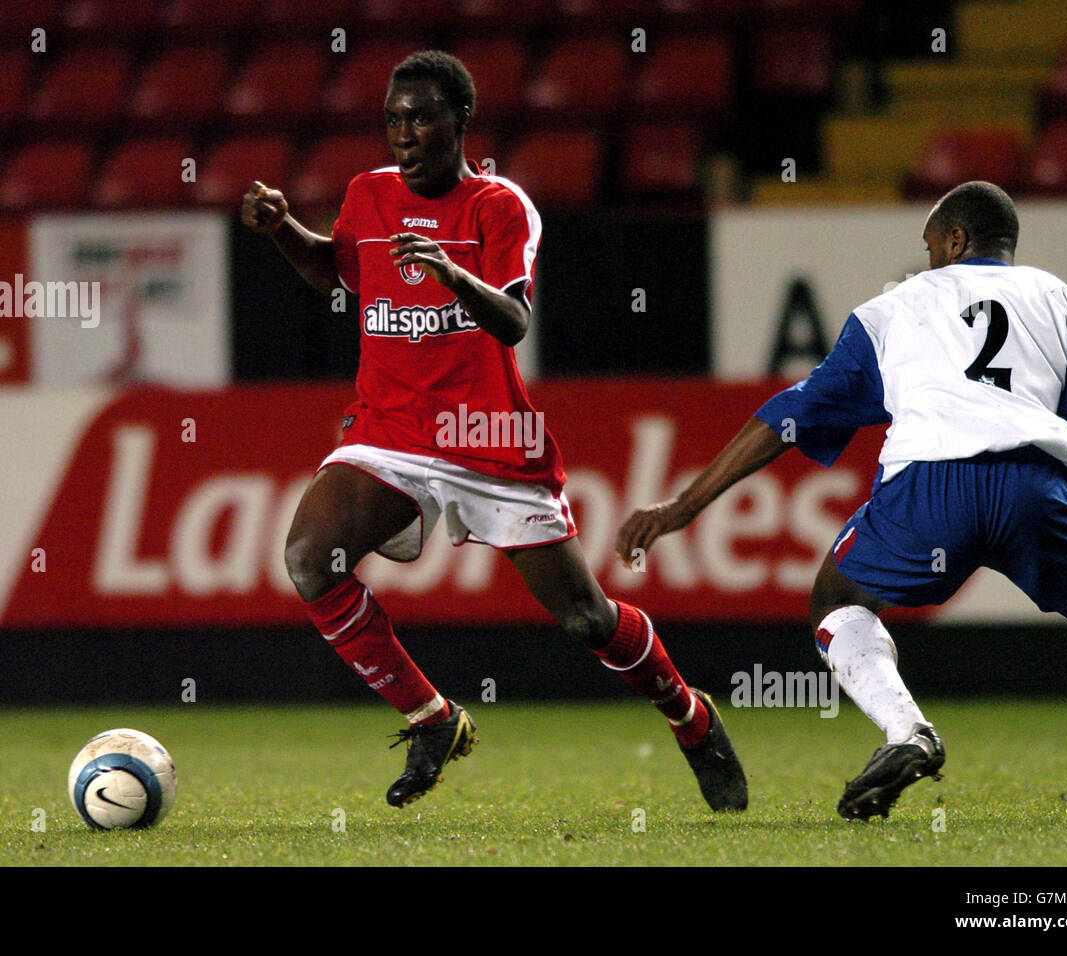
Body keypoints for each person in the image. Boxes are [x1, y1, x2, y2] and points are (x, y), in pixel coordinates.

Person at [241, 50, 746, 811]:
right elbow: (335, 274)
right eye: (393, 119)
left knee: (586, 618)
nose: (404, 134)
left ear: (461, 121)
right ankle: (432, 718)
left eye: (421, 118)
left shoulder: (500, 206)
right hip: (389, 431)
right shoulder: (368, 193)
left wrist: (451, 275)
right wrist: (283, 229)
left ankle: (690, 717)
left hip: (487, 438)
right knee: (311, 559)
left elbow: (513, 319)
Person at [617, 180, 1067, 820]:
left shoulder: (894, 308)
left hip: (930, 488)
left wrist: (684, 506)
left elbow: (791, 414)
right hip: (1038, 483)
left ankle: (908, 731)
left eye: (931, 245)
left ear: (955, 239)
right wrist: (1035, 499)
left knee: (837, 600)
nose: (928, 259)